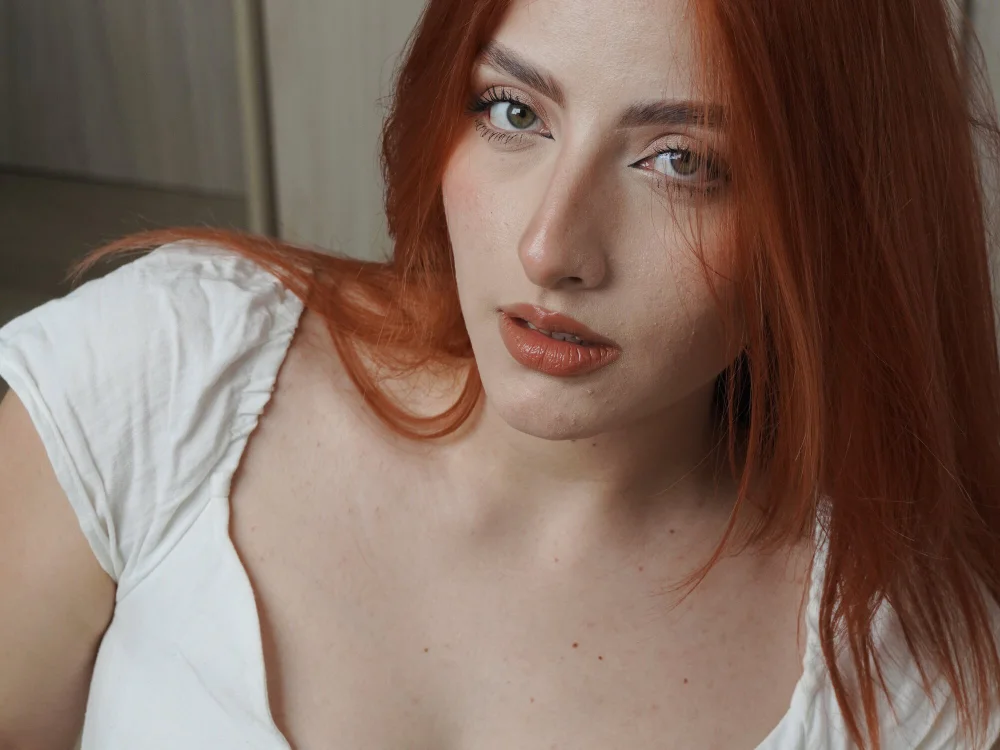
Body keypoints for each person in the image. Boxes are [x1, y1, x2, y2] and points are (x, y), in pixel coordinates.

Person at [2, 0, 1000, 747]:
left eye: (682, 162)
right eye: (513, 110)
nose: (549, 248)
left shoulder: (916, 684)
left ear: (834, 212)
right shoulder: (171, 372)